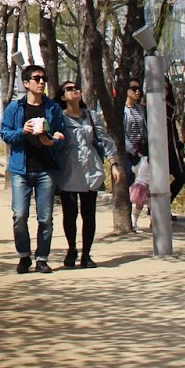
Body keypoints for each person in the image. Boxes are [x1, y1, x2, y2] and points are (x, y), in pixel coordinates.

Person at [0, 63, 69, 274]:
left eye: (43, 79)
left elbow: (62, 134)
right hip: (21, 169)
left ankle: (42, 258)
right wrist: (23, 131)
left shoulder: (53, 108)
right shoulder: (15, 108)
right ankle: (23, 256)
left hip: (46, 169)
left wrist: (54, 142)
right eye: (37, 79)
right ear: (26, 83)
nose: (42, 82)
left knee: (45, 217)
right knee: (19, 214)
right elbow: (5, 134)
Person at [55, 80, 115, 268]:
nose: (75, 91)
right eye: (69, 89)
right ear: (63, 96)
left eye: (76, 88)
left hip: (91, 167)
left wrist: (114, 163)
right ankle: (72, 248)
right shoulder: (59, 117)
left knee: (89, 214)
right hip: (69, 168)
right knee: (70, 213)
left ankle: (87, 254)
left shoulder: (92, 116)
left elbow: (105, 139)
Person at [122, 76, 147, 229]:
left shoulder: (140, 109)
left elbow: (145, 129)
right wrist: (132, 149)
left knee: (142, 185)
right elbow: (122, 133)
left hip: (141, 151)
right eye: (134, 89)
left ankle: (135, 219)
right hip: (128, 152)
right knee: (130, 182)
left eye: (139, 89)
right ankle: (129, 220)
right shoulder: (123, 110)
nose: (137, 92)